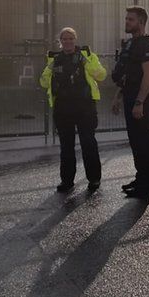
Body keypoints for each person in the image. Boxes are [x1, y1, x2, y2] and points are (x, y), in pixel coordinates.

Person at [40, 27, 107, 193]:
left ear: (75, 40)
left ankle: (94, 179)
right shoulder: (55, 59)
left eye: (71, 38)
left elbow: (101, 75)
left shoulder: (87, 55)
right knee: (66, 146)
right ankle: (67, 181)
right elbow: (43, 82)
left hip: (85, 107)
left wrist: (86, 61)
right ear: (60, 42)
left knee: (88, 143)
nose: (68, 42)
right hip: (63, 108)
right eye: (65, 39)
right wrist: (51, 67)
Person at [111, 6, 149, 199]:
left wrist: (139, 102)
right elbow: (128, 76)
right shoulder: (131, 44)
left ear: (141, 21)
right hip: (130, 96)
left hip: (142, 99)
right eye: (126, 19)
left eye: (130, 19)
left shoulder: (147, 45)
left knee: (145, 141)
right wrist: (118, 96)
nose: (126, 22)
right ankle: (141, 179)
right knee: (135, 142)